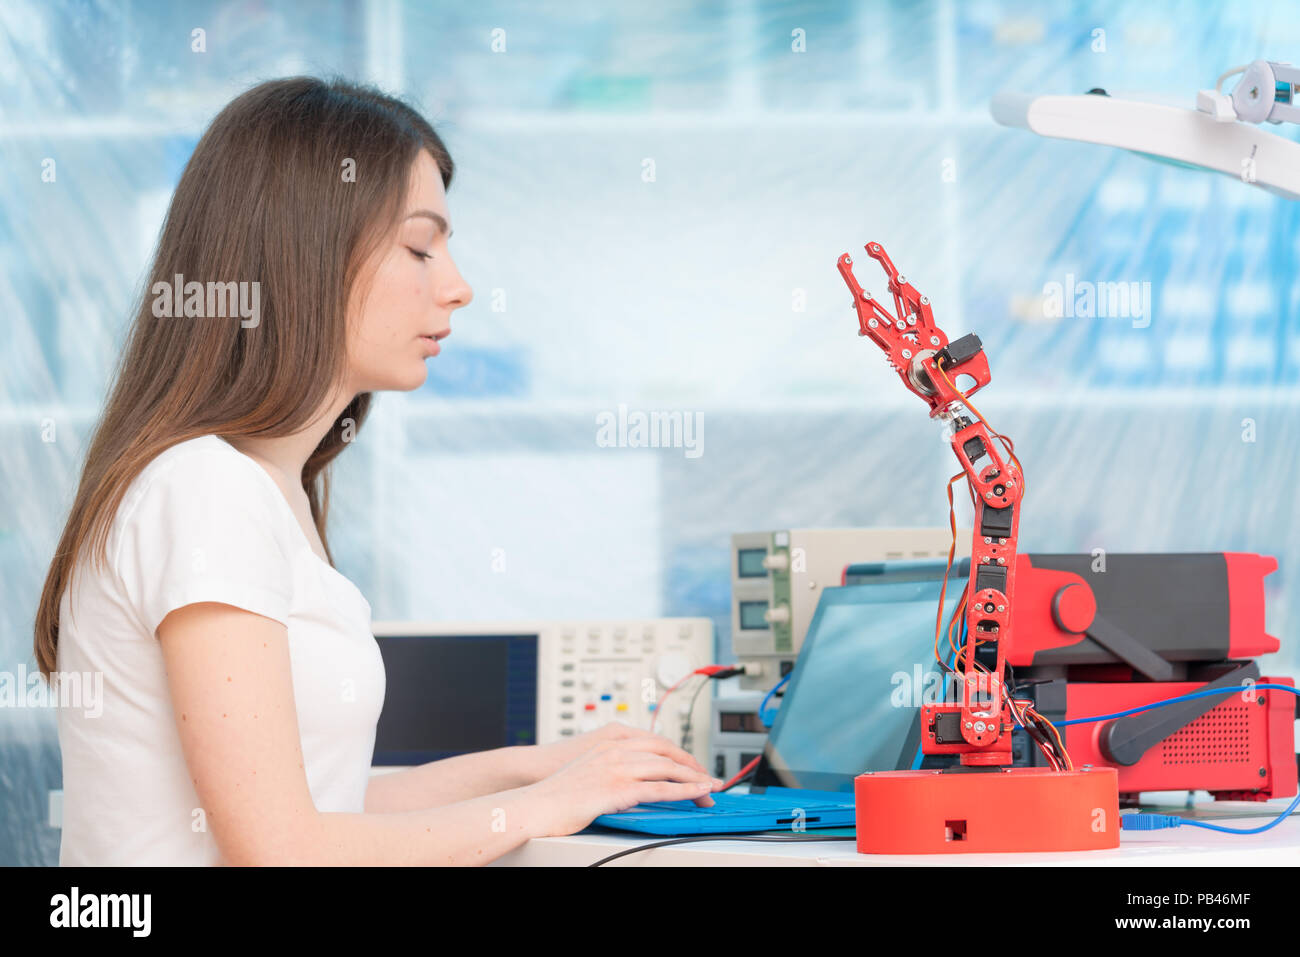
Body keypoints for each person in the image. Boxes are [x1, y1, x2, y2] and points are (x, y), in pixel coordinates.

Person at [34, 76, 721, 866]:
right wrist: (543, 804)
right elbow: (282, 848)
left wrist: (534, 767)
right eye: (421, 248)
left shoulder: (262, 487)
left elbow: (321, 801)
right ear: (304, 251)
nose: (457, 286)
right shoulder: (203, 491)